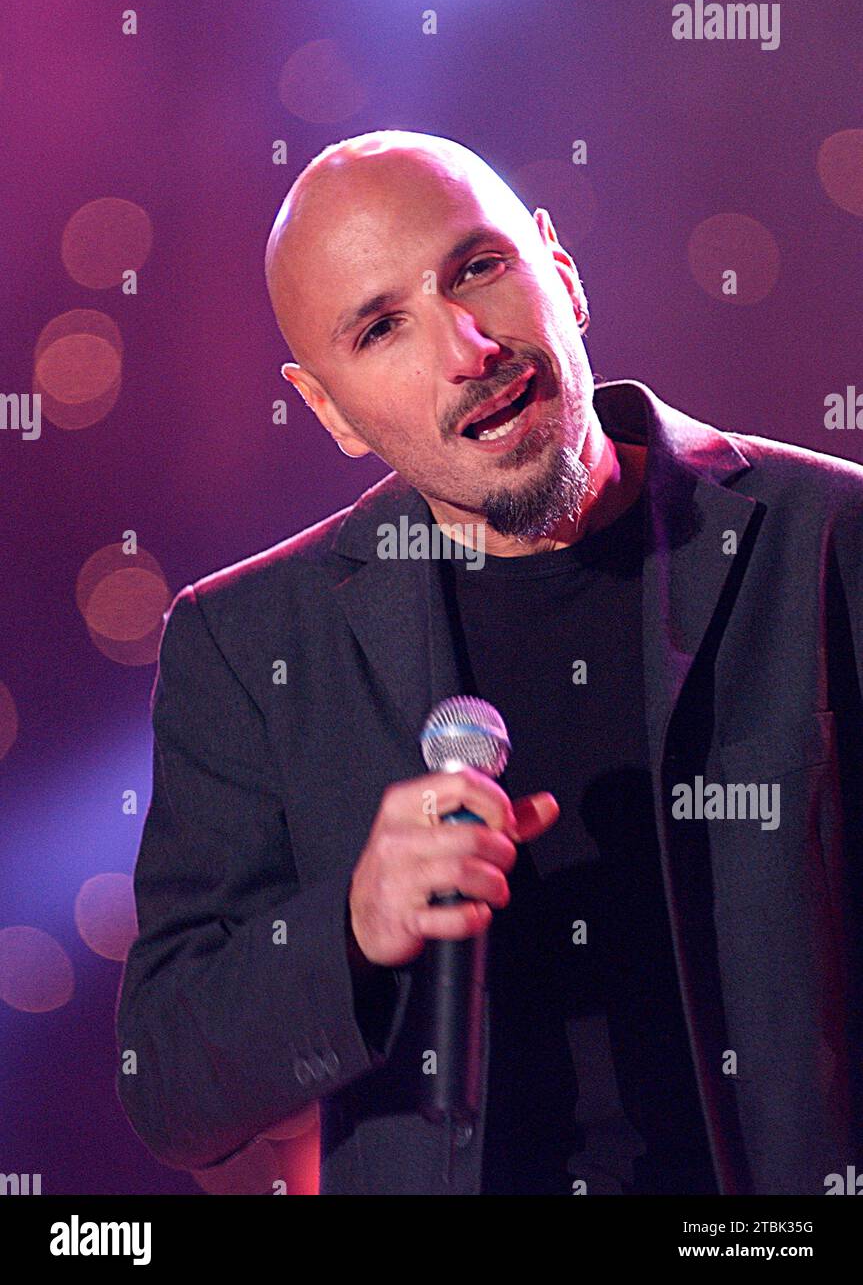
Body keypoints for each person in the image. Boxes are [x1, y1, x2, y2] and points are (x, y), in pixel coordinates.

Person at [115, 130, 863, 1195]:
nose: (466, 348)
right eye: (380, 329)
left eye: (477, 269)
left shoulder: (829, 539)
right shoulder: (248, 645)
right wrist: (352, 928)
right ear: (326, 406)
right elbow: (169, 1085)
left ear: (557, 268)